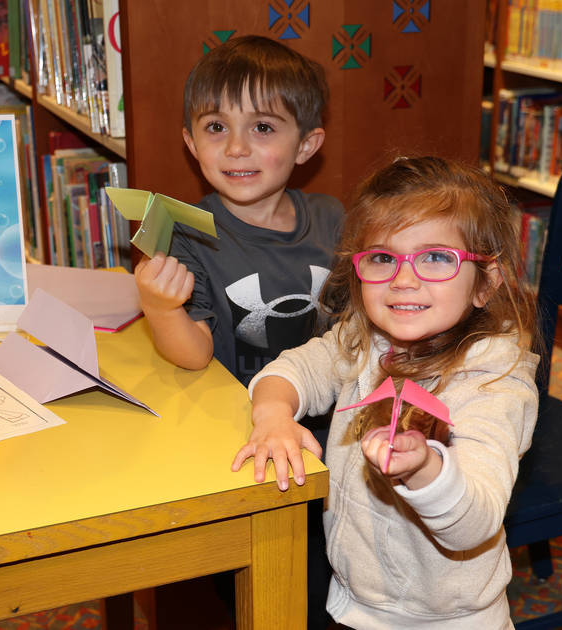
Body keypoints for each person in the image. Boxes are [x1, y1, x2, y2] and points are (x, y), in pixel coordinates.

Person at [231, 156, 541, 629]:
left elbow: (473, 523)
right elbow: (299, 367)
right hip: (358, 601)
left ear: (486, 282)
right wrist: (273, 414)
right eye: (382, 257)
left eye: (436, 257)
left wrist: (426, 469)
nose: (403, 279)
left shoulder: (494, 381)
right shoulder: (365, 337)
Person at [133, 35, 343, 630]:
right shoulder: (185, 234)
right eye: (216, 127)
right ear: (190, 141)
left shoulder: (331, 217)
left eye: (265, 128)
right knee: (281, 586)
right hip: (244, 435)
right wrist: (159, 307)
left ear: (308, 144)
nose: (238, 147)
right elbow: (193, 354)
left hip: (331, 420)